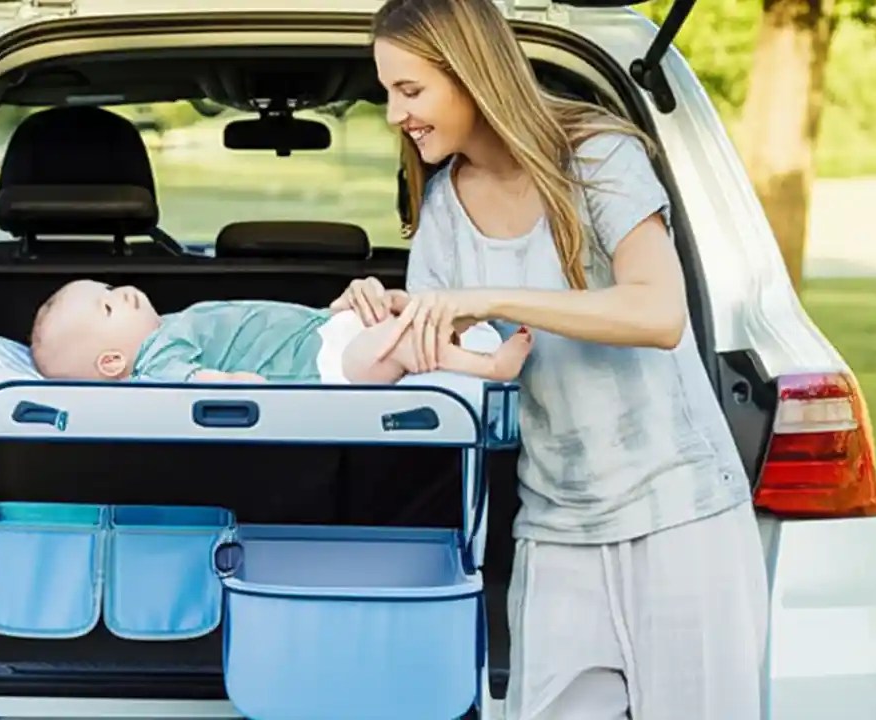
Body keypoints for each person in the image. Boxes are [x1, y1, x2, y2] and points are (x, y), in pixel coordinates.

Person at [329, 0, 770, 717]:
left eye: (409, 91)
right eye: (388, 94)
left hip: (681, 518)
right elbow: (465, 360)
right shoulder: (442, 208)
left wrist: (499, 296)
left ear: (471, 74)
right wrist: (373, 318)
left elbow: (658, 313)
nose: (392, 116)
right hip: (556, 529)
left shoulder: (598, 155)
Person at [27, 279, 532, 383]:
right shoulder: (158, 353)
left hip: (323, 332)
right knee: (400, 337)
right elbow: (179, 383)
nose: (123, 292)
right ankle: (487, 365)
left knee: (409, 320)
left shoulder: (173, 326)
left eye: (110, 288)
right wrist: (224, 385)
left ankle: (463, 323)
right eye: (109, 308)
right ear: (113, 361)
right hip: (323, 368)